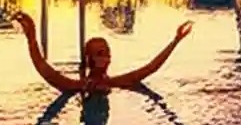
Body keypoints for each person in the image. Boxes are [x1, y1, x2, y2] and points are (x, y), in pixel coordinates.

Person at [12, 12, 193, 93]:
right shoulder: (76, 86)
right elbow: (44, 69)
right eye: (100, 53)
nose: (106, 57)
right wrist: (32, 38)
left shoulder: (118, 82)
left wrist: (175, 40)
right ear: (89, 59)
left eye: (107, 52)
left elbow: (152, 67)